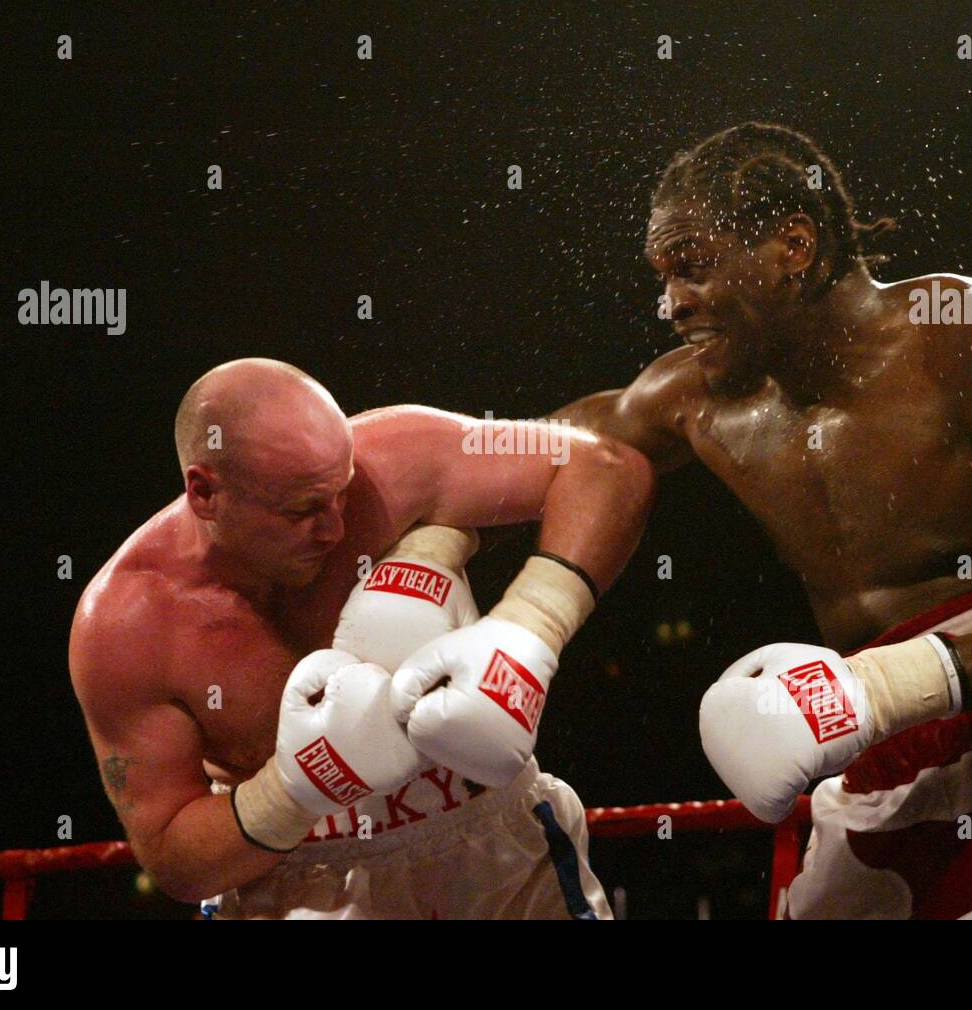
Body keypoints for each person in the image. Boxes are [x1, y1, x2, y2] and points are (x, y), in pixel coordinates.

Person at [554, 122, 972, 919]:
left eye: (692, 268)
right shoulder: (697, 397)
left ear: (792, 247)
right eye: (663, 276)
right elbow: (525, 459)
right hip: (879, 756)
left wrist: (875, 688)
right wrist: (364, 479)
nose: (671, 302)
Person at [69, 357, 654, 918]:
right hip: (303, 884)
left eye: (342, 492)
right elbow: (174, 860)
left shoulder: (394, 455)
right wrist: (294, 789)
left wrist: (531, 626)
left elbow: (607, 468)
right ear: (205, 492)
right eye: (303, 509)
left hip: (494, 850)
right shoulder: (128, 628)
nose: (337, 526)